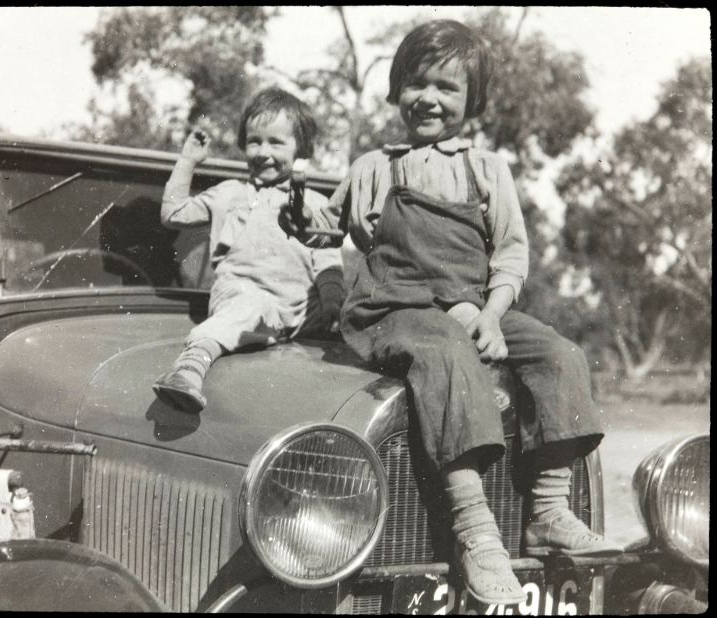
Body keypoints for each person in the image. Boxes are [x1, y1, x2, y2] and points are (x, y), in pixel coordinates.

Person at [280, 20, 621, 606]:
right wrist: (301, 211)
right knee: (445, 350)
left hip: (471, 305)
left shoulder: (487, 171)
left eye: (446, 88)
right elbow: (324, 228)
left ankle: (547, 510)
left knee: (560, 355)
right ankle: (476, 532)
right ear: (396, 89)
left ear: (472, 102)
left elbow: (511, 255)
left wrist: (492, 316)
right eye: (416, 83)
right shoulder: (372, 168)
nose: (429, 99)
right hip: (393, 308)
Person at [154, 87, 344, 412]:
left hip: (298, 314)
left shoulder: (315, 203)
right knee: (252, 304)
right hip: (241, 300)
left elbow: (327, 262)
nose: (262, 151)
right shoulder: (228, 194)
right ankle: (191, 364)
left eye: (276, 142)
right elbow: (173, 213)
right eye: (254, 141)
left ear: (300, 147)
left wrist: (333, 308)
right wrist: (188, 161)